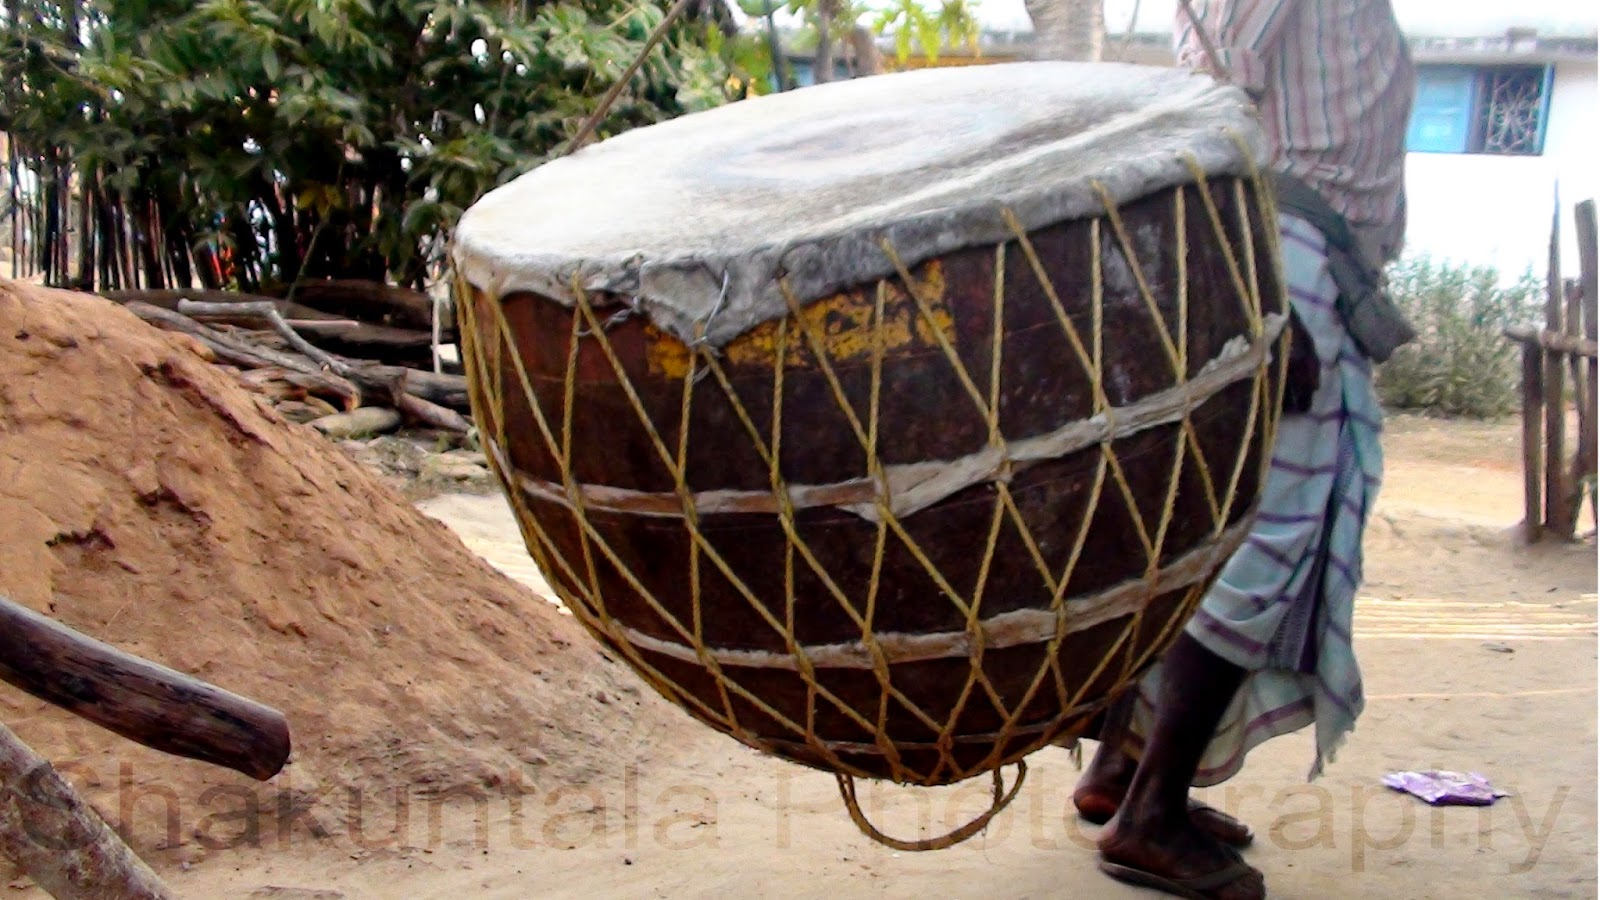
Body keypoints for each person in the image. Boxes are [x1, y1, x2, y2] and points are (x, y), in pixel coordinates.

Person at [1067, 1, 1418, 898]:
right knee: (1257, 545)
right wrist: (1261, 288)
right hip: (1279, 253)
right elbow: (1211, 105)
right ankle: (1150, 813)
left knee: (1209, 532)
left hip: (1294, 254)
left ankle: (1125, 776)